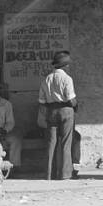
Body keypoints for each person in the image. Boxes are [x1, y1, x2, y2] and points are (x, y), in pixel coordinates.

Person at [38, 51, 81, 180]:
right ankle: (65, 174)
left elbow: (41, 100)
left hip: (51, 111)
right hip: (65, 110)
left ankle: (49, 174)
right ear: (66, 66)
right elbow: (70, 99)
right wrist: (76, 106)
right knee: (66, 142)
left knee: (51, 143)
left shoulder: (47, 78)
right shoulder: (67, 79)